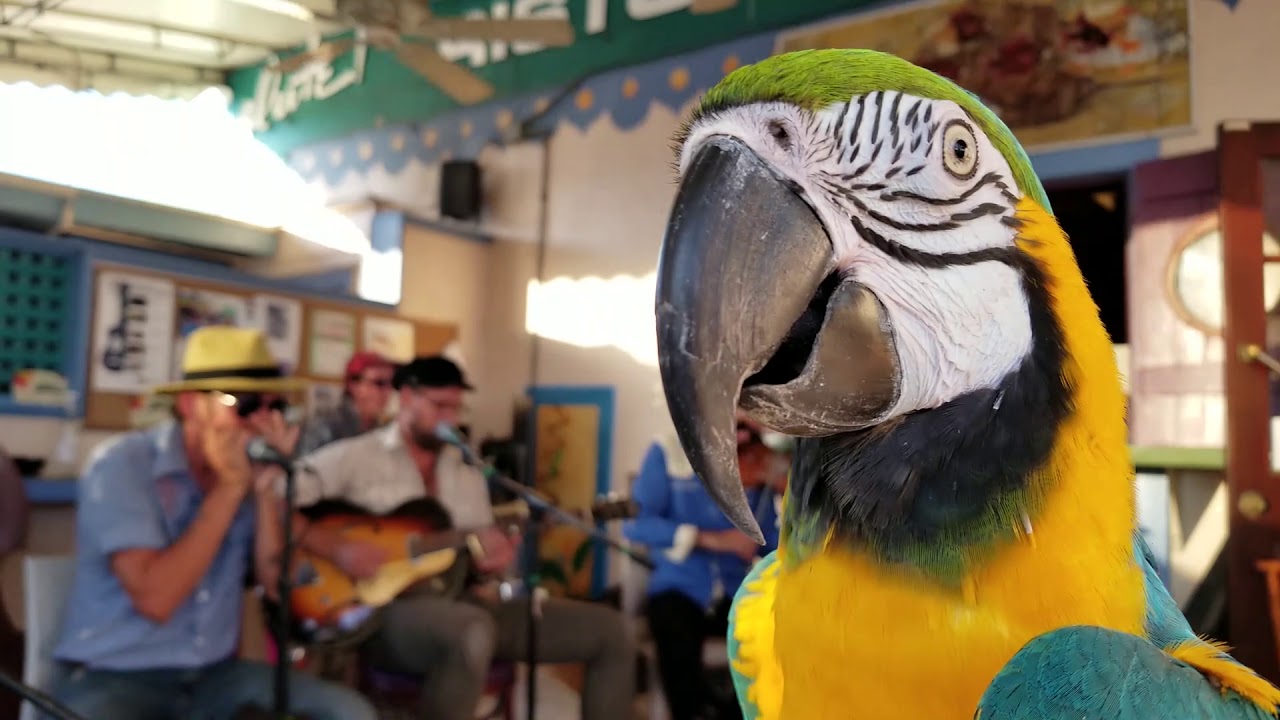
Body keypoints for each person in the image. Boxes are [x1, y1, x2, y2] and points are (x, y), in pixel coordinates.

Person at [49, 326, 377, 720]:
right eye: (245, 404)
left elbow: (276, 583)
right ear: (191, 405)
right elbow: (156, 600)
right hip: (119, 674)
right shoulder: (122, 467)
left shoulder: (243, 476)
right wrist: (228, 491)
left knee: (349, 712)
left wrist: (264, 492)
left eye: (274, 407)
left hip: (215, 676)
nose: (260, 421)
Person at [288, 355, 635, 720]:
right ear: (407, 397)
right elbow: (275, 499)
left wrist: (494, 564)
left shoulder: (467, 471)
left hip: (467, 603)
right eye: (440, 406)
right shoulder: (355, 457)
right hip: (384, 613)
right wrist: (336, 548)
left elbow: (483, 562)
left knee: (613, 632)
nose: (450, 419)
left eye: (456, 407)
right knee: (472, 630)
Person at [624, 414, 785, 720]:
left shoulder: (758, 462)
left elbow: (771, 545)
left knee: (774, 629)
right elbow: (638, 525)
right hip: (679, 586)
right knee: (674, 632)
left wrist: (790, 499)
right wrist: (707, 539)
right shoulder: (668, 453)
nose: (742, 431)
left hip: (734, 589)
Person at [294, 351, 395, 457]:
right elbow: (307, 468)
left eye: (391, 384)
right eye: (380, 383)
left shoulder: (380, 430)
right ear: (354, 386)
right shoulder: (326, 425)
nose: (387, 392)